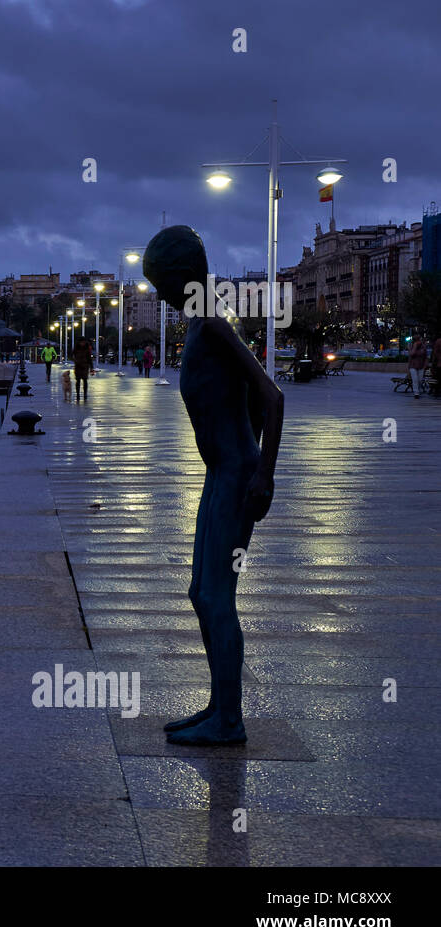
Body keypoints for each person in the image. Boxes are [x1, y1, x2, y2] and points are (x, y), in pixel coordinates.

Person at [143, 225, 284, 746]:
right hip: (220, 475)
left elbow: (271, 398)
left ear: (183, 279)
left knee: (217, 595)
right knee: (201, 592)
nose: (158, 295)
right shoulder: (202, 327)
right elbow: (250, 404)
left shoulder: (213, 326)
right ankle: (218, 706)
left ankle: (229, 720)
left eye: (162, 283)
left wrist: (261, 472)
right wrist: (245, 448)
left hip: (235, 478)